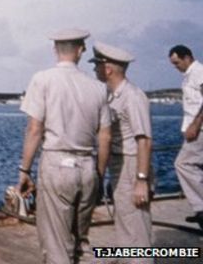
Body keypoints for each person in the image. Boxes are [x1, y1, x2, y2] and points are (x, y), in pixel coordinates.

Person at [17, 29, 111, 264]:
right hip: (88, 166)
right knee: (81, 243)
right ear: (80, 50)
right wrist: (98, 175)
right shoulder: (99, 88)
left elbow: (34, 130)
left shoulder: (43, 79)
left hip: (57, 165)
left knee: (57, 247)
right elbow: (105, 137)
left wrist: (24, 171)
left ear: (54, 50)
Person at [90, 43, 152, 261]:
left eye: (97, 65)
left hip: (132, 164)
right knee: (125, 222)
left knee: (137, 228)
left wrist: (141, 180)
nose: (94, 69)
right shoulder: (112, 96)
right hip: (120, 165)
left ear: (108, 69)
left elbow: (144, 140)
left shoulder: (133, 97)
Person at [167, 44, 203, 229]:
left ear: (187, 57)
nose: (176, 67)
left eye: (177, 62)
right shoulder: (189, 76)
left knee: (183, 163)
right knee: (194, 166)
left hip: (201, 130)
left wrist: (196, 125)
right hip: (195, 130)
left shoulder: (198, 72)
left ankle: (201, 209)